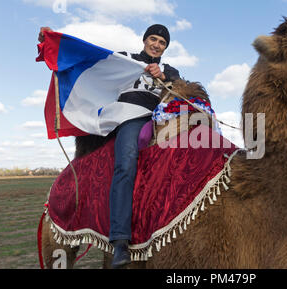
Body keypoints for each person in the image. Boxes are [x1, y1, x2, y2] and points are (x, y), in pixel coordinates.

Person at [38, 24, 180, 268]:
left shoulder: (170, 70)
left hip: (160, 120)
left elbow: (182, 89)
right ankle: (121, 241)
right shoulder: (125, 59)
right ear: (145, 40)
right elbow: (88, 58)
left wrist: (165, 78)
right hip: (129, 117)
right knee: (125, 163)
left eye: (162, 43)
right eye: (153, 39)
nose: (156, 45)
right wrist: (55, 43)